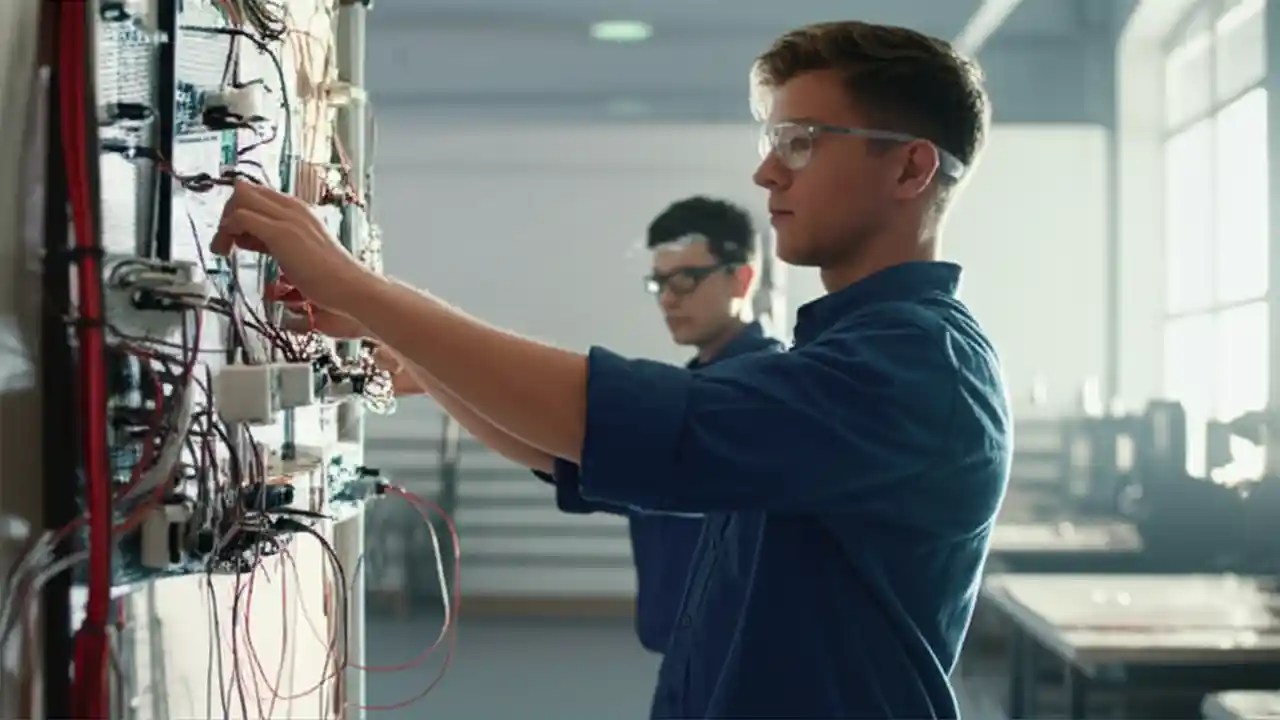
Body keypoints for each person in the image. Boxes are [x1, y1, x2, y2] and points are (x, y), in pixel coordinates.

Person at [215, 19, 1010, 720]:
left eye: (801, 140)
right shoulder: (848, 353)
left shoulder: (914, 367)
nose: (768, 172)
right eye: (770, 142)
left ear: (910, 170)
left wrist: (356, 286)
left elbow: (630, 424)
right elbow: (572, 447)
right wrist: (399, 338)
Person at [535, 197, 784, 655]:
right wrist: (441, 377)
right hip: (687, 655)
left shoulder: (767, 393)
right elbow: (574, 460)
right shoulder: (691, 391)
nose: (669, 298)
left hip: (747, 659)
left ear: (741, 278)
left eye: (686, 279)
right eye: (660, 282)